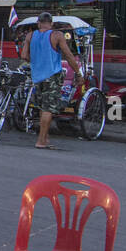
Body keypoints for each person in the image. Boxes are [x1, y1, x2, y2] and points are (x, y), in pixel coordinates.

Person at [21, 12, 83, 151]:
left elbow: (24, 55)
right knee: (48, 109)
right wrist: (78, 73)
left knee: (42, 107)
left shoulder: (30, 35)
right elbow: (69, 55)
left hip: (37, 76)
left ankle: (46, 138)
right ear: (51, 23)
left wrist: (36, 61)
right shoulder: (57, 35)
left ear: (38, 23)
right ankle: (41, 140)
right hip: (52, 76)